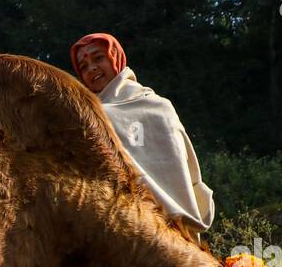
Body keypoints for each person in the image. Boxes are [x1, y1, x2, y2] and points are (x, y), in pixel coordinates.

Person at [70, 32, 214, 244]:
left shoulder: (158, 106)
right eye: (83, 66)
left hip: (176, 234)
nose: (91, 68)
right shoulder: (88, 116)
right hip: (125, 229)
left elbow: (182, 170)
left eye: (98, 58)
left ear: (115, 58)